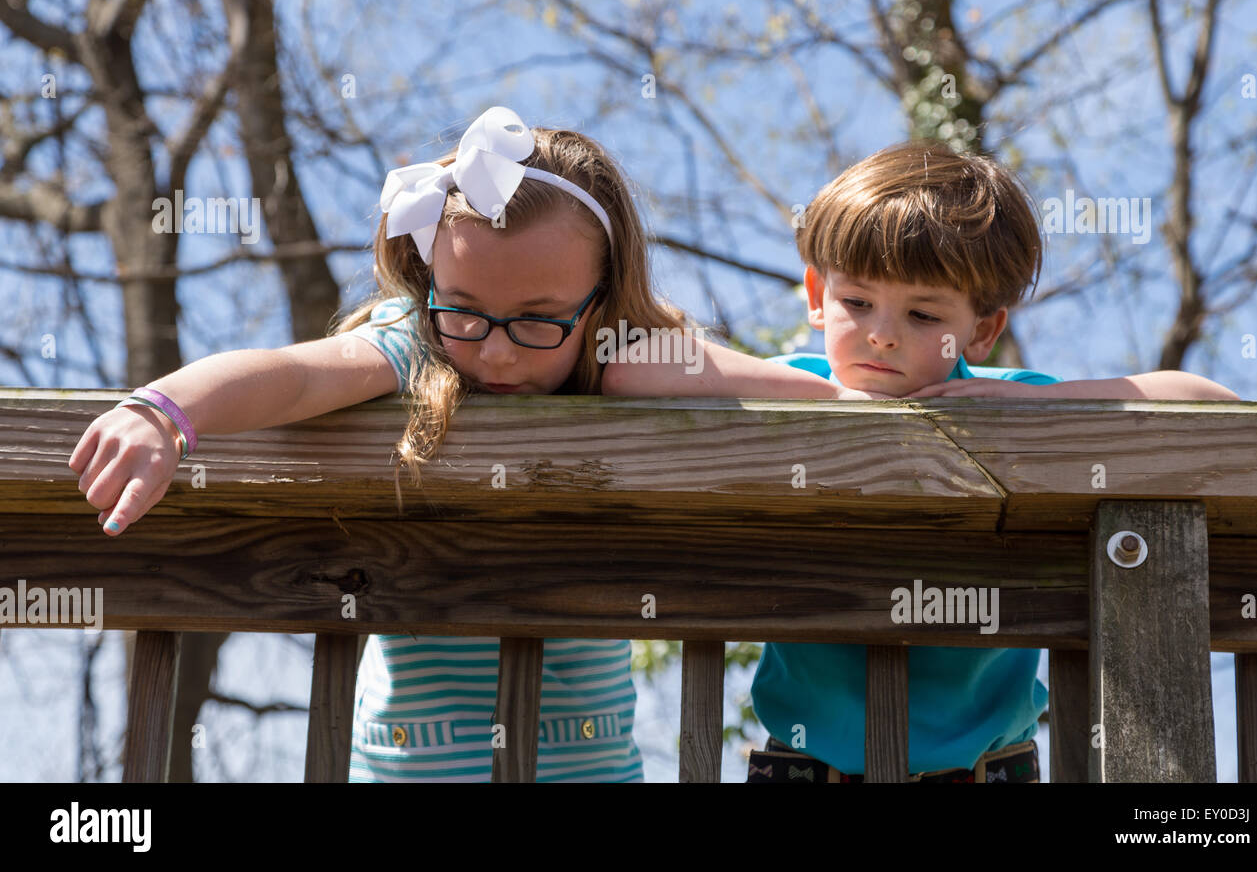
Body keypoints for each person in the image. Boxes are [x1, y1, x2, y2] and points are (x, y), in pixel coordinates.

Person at [67, 105, 850, 782]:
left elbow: (747, 377)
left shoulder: (618, 359)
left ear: (602, 301)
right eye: (467, 311)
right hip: (403, 770)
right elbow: (295, 377)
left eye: (540, 320)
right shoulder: (416, 347)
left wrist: (857, 395)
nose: (498, 353)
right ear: (429, 283)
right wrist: (164, 412)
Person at [602, 140, 1240, 782]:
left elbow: (1212, 402)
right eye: (857, 302)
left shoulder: (1009, 405)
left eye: (923, 314)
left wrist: (1032, 402)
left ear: (983, 331)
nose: (882, 332)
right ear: (817, 293)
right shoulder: (797, 386)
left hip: (988, 772)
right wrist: (829, 396)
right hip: (805, 768)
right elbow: (629, 366)